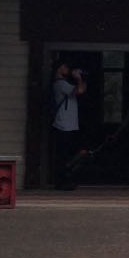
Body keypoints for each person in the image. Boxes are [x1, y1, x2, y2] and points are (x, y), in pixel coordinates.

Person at [51, 60, 85, 189]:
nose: (67, 69)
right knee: (64, 155)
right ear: (59, 69)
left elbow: (81, 88)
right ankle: (62, 182)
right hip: (64, 125)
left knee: (66, 154)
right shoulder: (61, 84)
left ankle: (64, 181)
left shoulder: (62, 84)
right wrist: (78, 78)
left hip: (66, 124)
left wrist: (81, 78)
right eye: (65, 66)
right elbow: (80, 90)